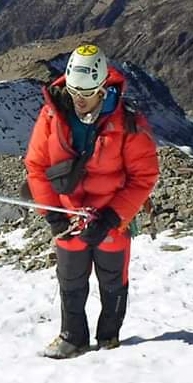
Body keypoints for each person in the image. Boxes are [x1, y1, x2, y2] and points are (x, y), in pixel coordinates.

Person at [24, 44, 160, 358]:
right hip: (69, 214)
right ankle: (73, 338)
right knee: (70, 279)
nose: (78, 99)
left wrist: (112, 217)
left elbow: (144, 176)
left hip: (112, 217)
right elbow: (36, 165)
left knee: (112, 281)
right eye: (73, 90)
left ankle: (109, 339)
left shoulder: (127, 123)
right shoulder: (51, 116)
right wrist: (52, 214)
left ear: (103, 88)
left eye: (87, 92)